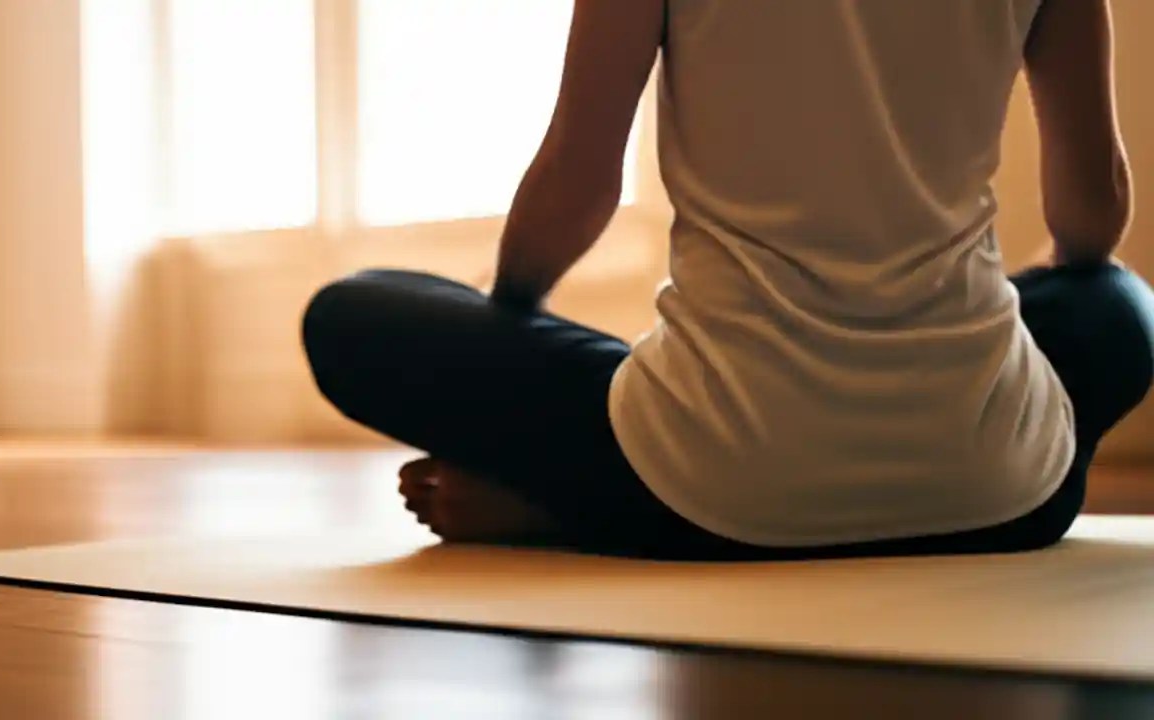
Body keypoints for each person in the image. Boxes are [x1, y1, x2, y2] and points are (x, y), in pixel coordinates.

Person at [302, 0, 1153, 560]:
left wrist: (510, 334)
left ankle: (562, 499)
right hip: (1003, 490)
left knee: (351, 315)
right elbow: (1090, 220)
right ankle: (586, 489)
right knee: (1115, 304)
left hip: (713, 489)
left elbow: (577, 185)